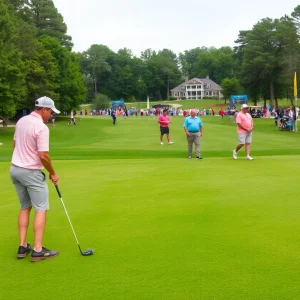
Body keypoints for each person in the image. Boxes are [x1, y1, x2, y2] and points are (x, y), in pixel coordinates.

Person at [10, 96, 60, 262]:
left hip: (15, 170)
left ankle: (22, 246)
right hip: (31, 172)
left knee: (25, 207)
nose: (51, 115)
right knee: (41, 208)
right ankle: (38, 250)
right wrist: (52, 173)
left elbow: (14, 143)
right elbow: (44, 155)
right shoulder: (42, 127)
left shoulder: (21, 121)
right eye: (51, 112)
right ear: (44, 109)